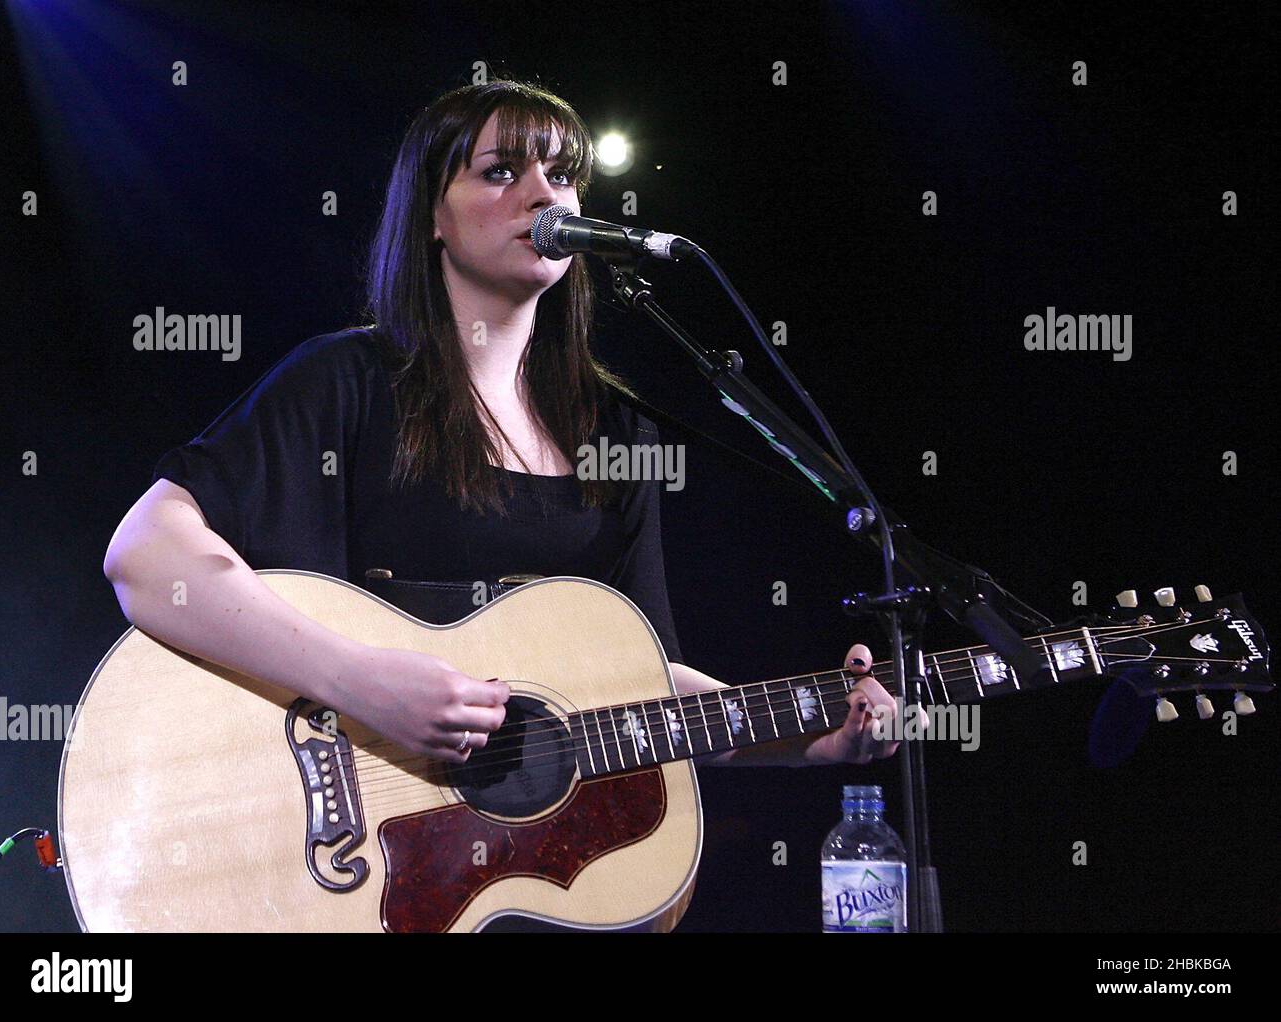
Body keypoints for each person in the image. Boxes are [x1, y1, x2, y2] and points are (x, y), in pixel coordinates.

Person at [103, 77, 899, 770]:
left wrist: (808, 735)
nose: (543, 194)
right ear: (432, 218)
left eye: (561, 174)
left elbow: (641, 684)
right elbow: (144, 555)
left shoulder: (614, 434)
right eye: (500, 172)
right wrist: (353, 678)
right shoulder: (346, 381)